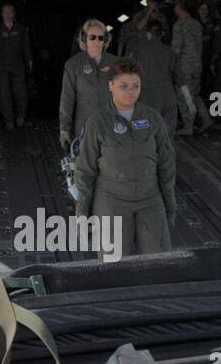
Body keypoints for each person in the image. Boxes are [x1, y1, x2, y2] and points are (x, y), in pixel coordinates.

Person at [73, 57, 176, 256]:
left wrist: (169, 203)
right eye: (124, 86)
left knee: (161, 261)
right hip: (112, 200)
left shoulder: (152, 118)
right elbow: (85, 171)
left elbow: (166, 162)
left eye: (136, 86)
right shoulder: (98, 123)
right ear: (110, 85)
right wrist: (82, 214)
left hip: (149, 198)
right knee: (115, 265)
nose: (131, 92)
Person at [58, 18, 118, 149]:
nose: (96, 41)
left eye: (100, 38)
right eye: (92, 37)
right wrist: (64, 129)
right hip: (85, 126)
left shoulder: (116, 63)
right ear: (84, 39)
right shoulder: (73, 64)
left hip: (111, 125)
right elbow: (67, 97)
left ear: (106, 40)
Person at [0, 3, 34, 128]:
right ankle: (8, 120)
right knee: (4, 94)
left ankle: (20, 116)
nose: (7, 15)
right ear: (1, 14)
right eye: (5, 12)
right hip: (1, 67)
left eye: (10, 12)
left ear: (14, 14)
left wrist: (29, 60)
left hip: (18, 66)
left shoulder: (20, 28)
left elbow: (25, 46)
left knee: (21, 93)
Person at [132, 18, 181, 137]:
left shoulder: (139, 49)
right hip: (168, 96)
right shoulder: (170, 52)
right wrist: (189, 102)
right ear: (162, 34)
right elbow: (180, 77)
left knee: (144, 132)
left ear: (148, 33)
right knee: (167, 134)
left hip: (147, 96)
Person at [171, 0, 211, 135]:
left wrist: (171, 65)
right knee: (194, 94)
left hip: (184, 67)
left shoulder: (179, 25)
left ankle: (188, 127)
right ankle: (206, 119)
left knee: (184, 96)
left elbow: (176, 49)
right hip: (197, 66)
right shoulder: (197, 24)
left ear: (179, 8)